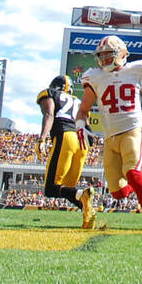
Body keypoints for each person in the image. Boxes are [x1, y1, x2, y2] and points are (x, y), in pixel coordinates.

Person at [75, 35, 142, 237]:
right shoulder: (95, 77)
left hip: (132, 130)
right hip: (110, 137)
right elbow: (83, 109)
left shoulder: (136, 70)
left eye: (108, 56)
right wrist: (80, 126)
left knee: (132, 174)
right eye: (100, 56)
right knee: (118, 192)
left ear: (120, 54)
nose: (104, 61)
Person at [36, 75, 95, 229]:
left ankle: (83, 195)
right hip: (83, 143)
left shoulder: (50, 93)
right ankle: (88, 213)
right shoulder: (79, 101)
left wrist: (42, 138)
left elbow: (49, 114)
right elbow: (88, 128)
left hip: (66, 136)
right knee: (67, 189)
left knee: (51, 188)